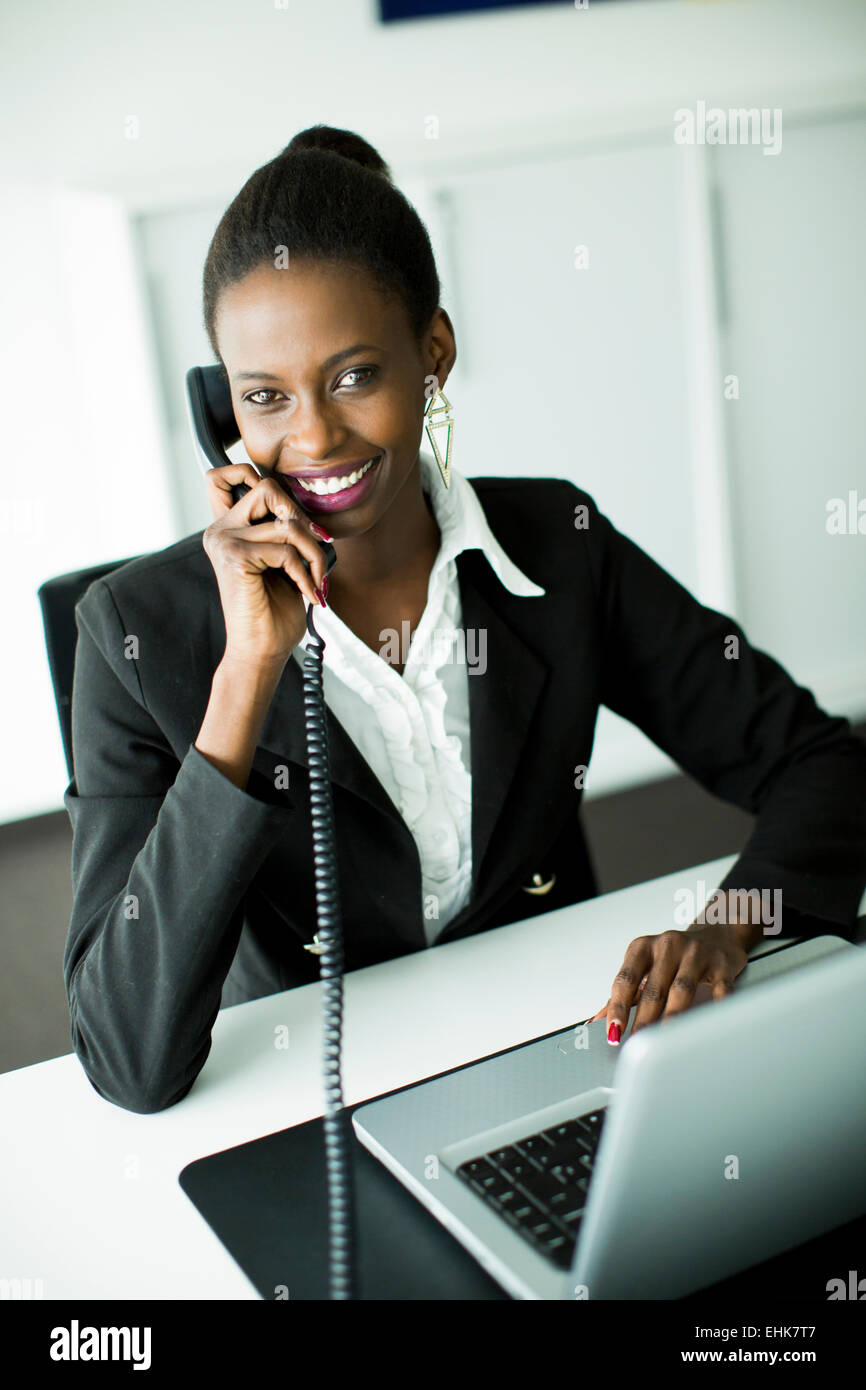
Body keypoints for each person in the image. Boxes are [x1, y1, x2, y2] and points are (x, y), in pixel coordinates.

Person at [63, 125, 866, 1114]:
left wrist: (729, 925)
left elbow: (820, 763)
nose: (312, 436)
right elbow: (127, 1060)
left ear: (432, 352)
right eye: (265, 396)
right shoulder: (132, 632)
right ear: (223, 414)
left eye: (354, 375)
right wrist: (245, 679)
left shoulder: (558, 544)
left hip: (558, 1054)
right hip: (308, 1103)